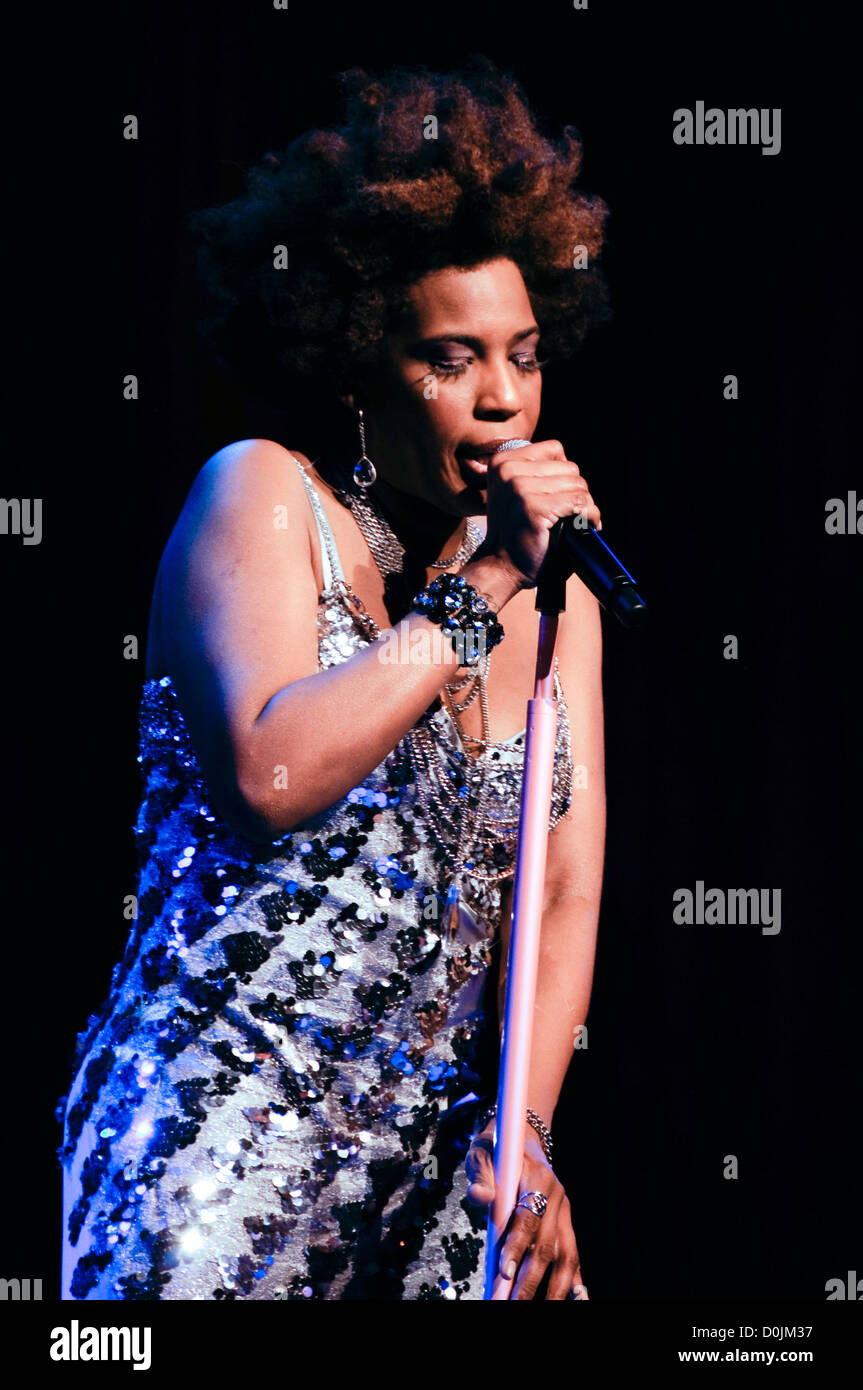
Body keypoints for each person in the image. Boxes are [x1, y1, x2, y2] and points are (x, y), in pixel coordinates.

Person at [56, 56, 608, 1300]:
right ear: (361, 366)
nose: (503, 401)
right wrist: (478, 592)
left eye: (522, 354)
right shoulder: (258, 496)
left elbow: (562, 890)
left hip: (418, 1194)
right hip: (218, 1150)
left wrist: (520, 1131)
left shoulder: (553, 600)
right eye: (450, 359)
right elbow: (269, 771)